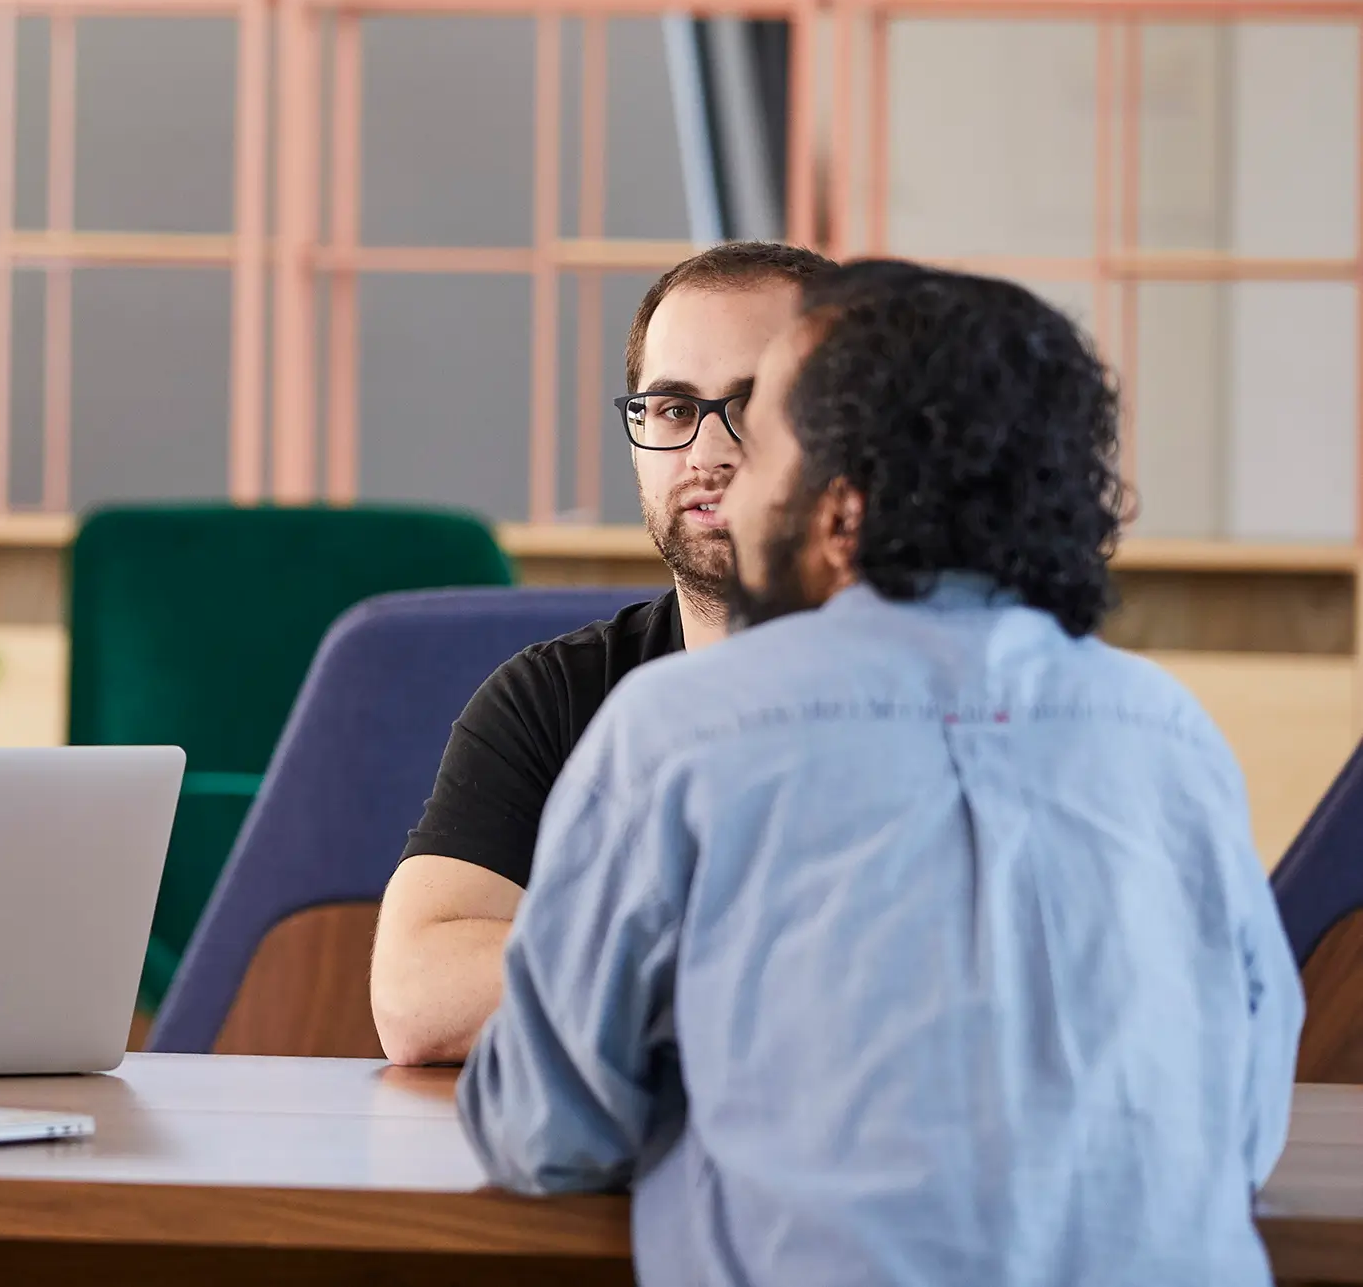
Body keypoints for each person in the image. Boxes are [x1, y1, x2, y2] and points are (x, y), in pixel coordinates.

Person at [460, 261, 1298, 1285]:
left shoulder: (682, 731)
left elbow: (540, 1129)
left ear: (839, 511)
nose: (723, 470)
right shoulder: (1170, 735)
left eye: (758, 442)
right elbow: (1243, 1130)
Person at [371, 240, 833, 1064]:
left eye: (756, 404)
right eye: (672, 408)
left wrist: (591, 970)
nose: (708, 452)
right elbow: (418, 992)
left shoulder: (934, 690)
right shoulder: (553, 696)